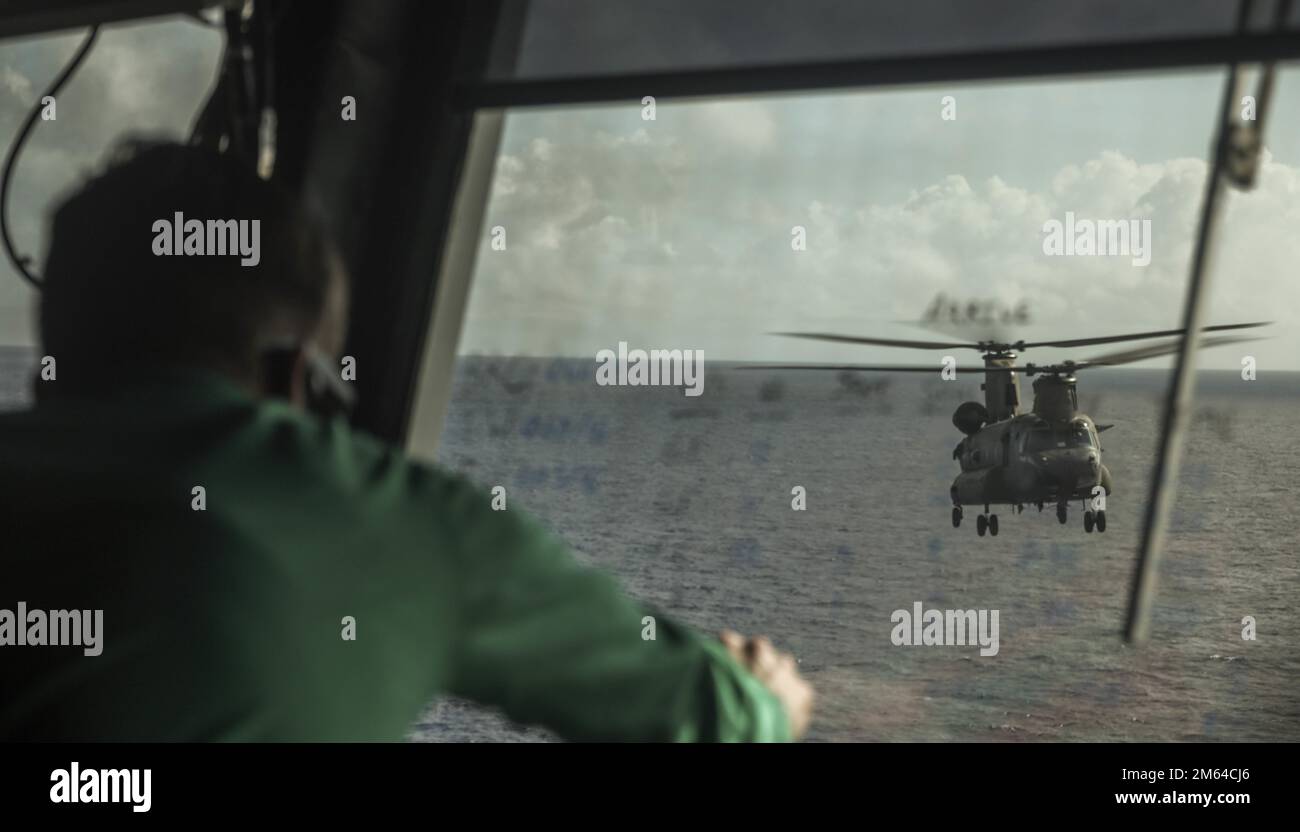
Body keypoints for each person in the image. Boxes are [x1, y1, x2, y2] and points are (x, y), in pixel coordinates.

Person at [0, 141, 813, 741]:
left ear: (53, 361)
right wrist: (765, 698)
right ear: (296, 382)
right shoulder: (405, 523)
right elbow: (710, 718)